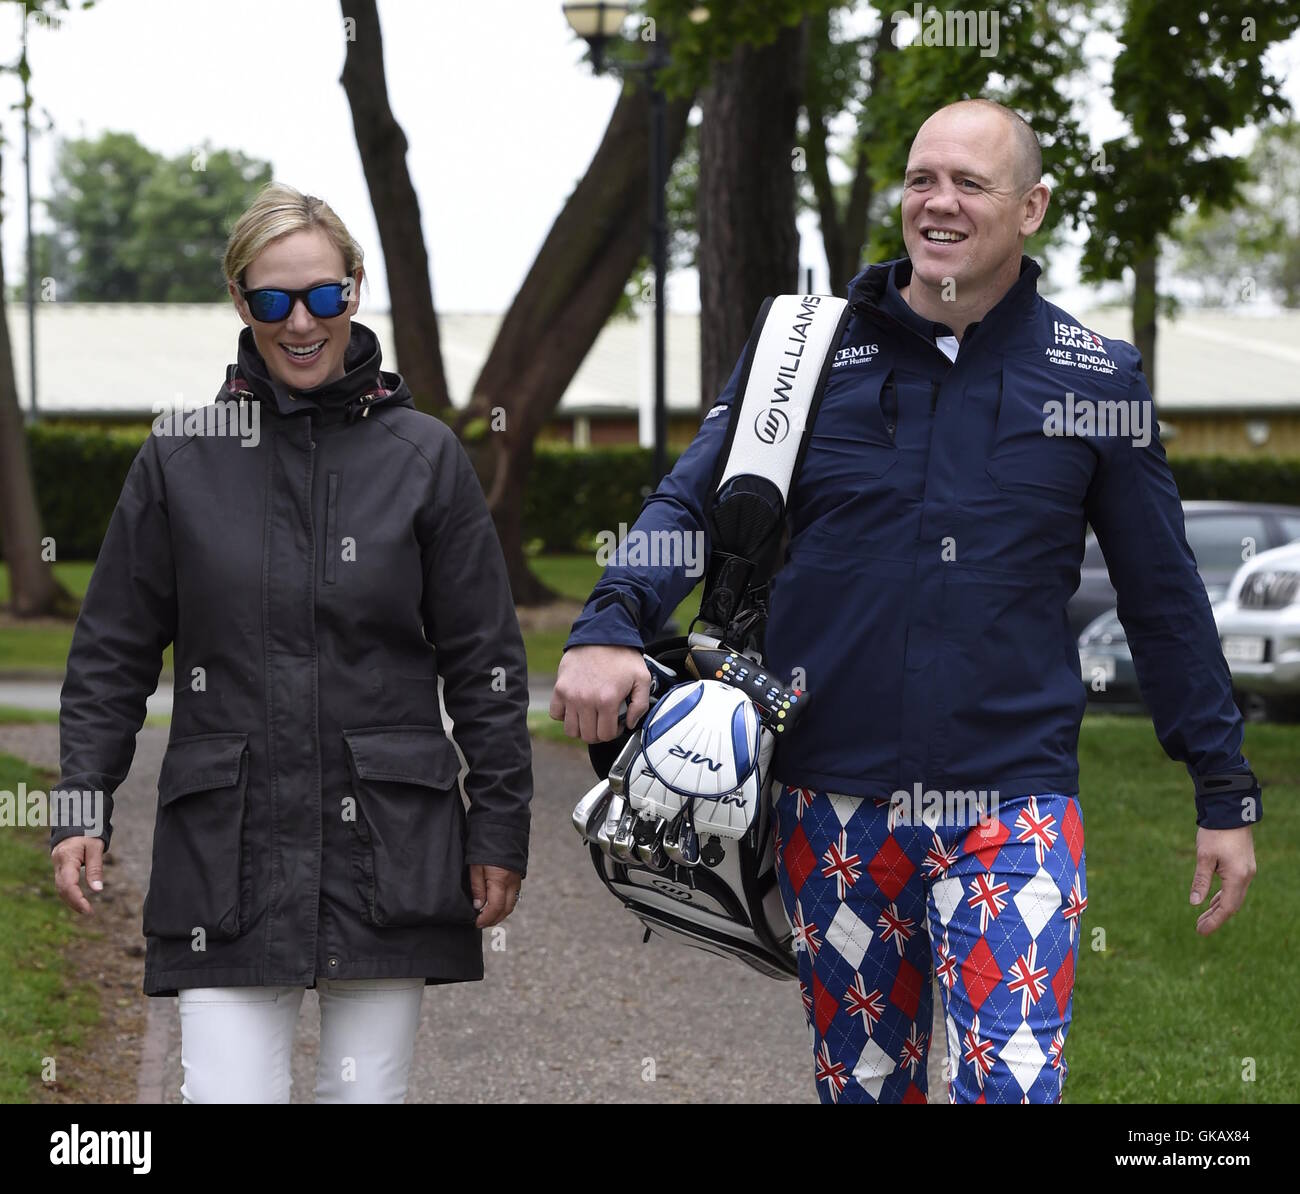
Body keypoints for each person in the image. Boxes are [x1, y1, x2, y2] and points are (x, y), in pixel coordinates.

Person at [550, 98, 1260, 1104]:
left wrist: (1221, 787)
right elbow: (690, 504)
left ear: (1032, 207)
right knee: (865, 1087)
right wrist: (607, 623)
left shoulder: (1094, 376)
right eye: (922, 178)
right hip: (832, 804)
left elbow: (1164, 598)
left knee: (1010, 1086)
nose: (938, 201)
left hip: (1012, 805)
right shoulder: (799, 357)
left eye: (970, 183)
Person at [49, 181, 532, 1104]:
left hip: (389, 845)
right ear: (240, 302)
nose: (301, 321)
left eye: (323, 294)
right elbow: (111, 651)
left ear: (356, 286)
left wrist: (500, 823)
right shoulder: (178, 460)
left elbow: (486, 664)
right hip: (224, 854)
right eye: (273, 299)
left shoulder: (427, 458)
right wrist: (81, 801)